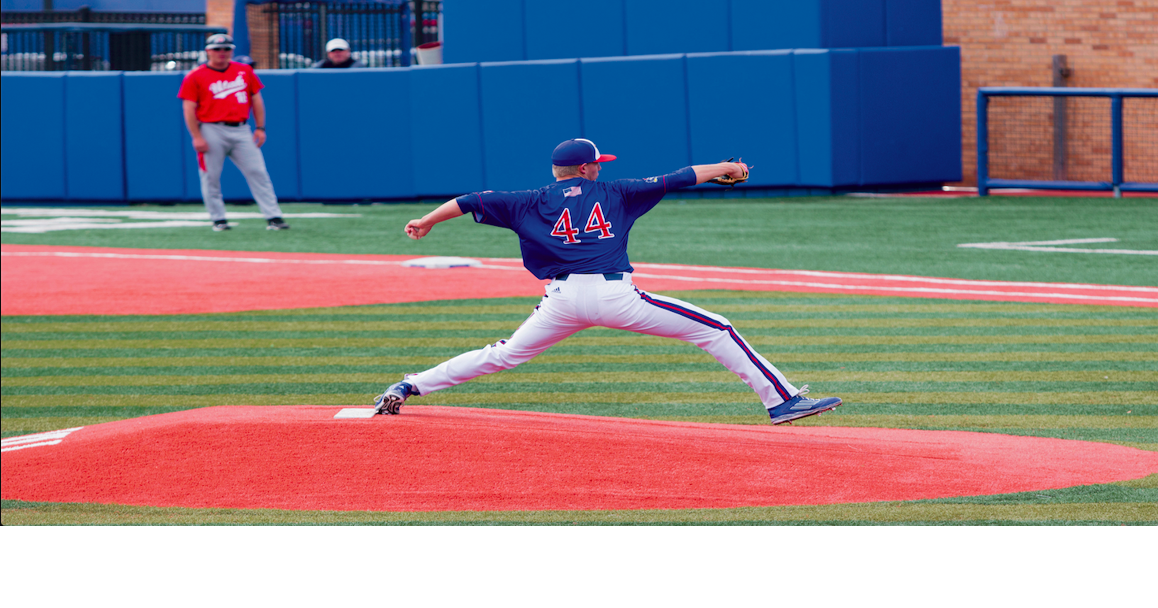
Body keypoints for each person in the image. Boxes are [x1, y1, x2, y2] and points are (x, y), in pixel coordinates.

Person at [372, 138, 842, 424]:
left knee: (504, 355)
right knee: (715, 328)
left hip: (560, 301)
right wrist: (729, 168)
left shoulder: (526, 200)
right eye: (598, 162)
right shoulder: (615, 191)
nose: (602, 167)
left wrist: (426, 221)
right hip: (616, 296)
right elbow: (681, 177)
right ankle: (782, 403)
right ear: (585, 168)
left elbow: (468, 200)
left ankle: (410, 385)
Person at [179, 33, 289, 232]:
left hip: (241, 128)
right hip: (211, 128)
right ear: (208, 51)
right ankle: (218, 219)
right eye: (217, 49)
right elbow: (188, 107)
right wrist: (196, 136)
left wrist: (261, 127)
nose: (222, 53)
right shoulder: (195, 75)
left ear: (232, 51)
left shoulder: (244, 71)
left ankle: (273, 216)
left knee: (257, 171)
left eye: (226, 49)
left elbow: (256, 99)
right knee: (210, 176)